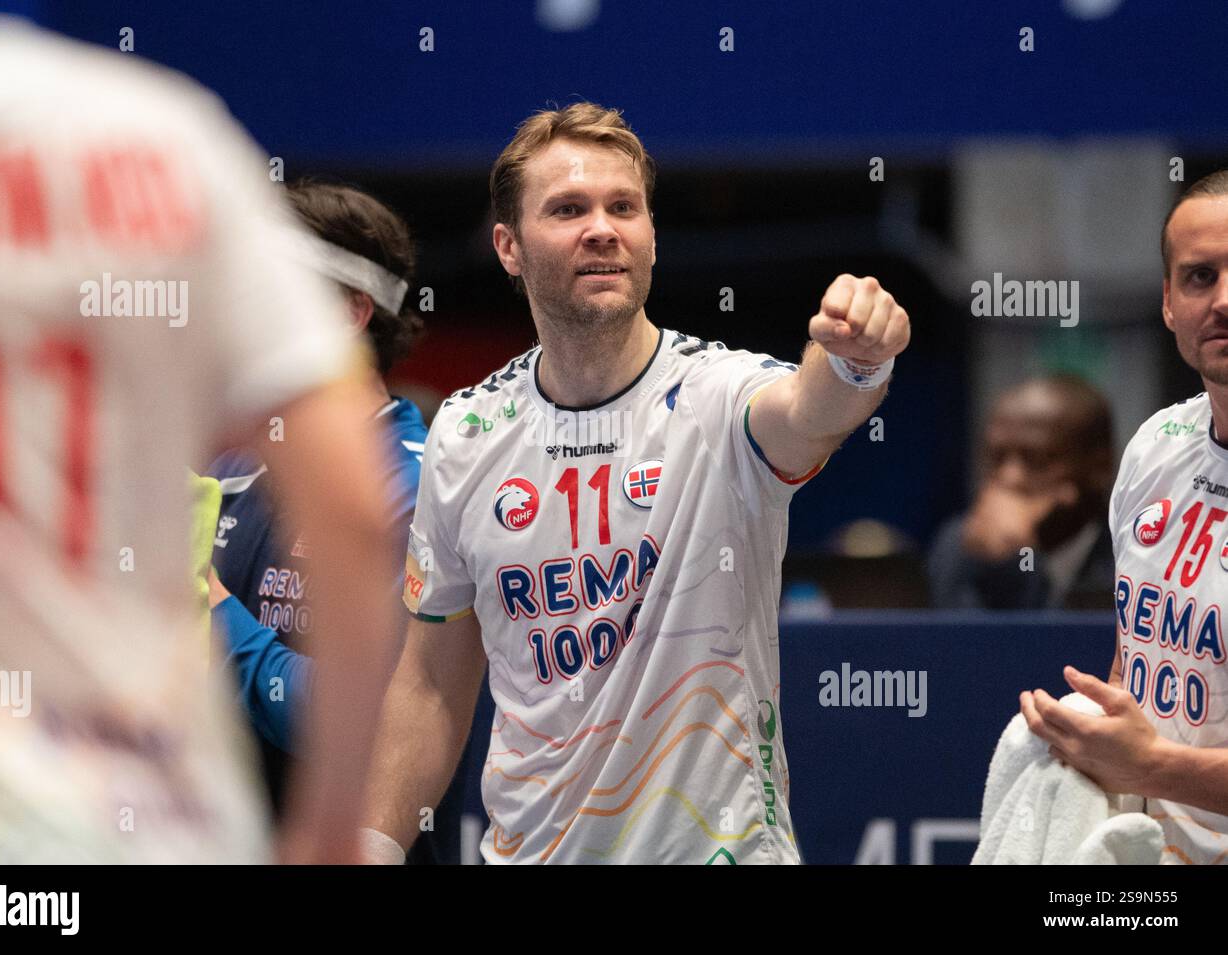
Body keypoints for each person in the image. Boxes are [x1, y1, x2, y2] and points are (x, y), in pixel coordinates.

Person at [357, 102, 912, 864]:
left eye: (624, 207)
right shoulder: (465, 431)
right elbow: (430, 682)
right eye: (568, 209)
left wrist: (859, 358)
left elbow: (810, 410)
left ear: (651, 234)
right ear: (508, 247)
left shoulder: (716, 395)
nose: (602, 228)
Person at [0, 6, 403, 863]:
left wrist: (230, 623)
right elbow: (351, 511)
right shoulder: (155, 131)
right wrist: (332, 834)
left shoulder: (416, 464)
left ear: (357, 308)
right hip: (158, 824)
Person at [207, 180, 468, 863]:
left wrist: (207, 608)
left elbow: (378, 721)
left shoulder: (416, 487)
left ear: (353, 311)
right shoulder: (230, 473)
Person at [1021, 170, 1228, 865]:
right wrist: (1089, 736)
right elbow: (1134, 662)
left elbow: (1145, 758)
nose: (1224, 299)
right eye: (1200, 277)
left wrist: (1148, 766)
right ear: (1169, 302)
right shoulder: (1155, 448)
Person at [927, 375, 1115, 610]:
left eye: (1036, 460)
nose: (1009, 477)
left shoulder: (1134, 554)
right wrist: (1005, 561)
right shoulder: (959, 547)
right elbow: (974, 644)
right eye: (997, 458)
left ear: (1099, 467)